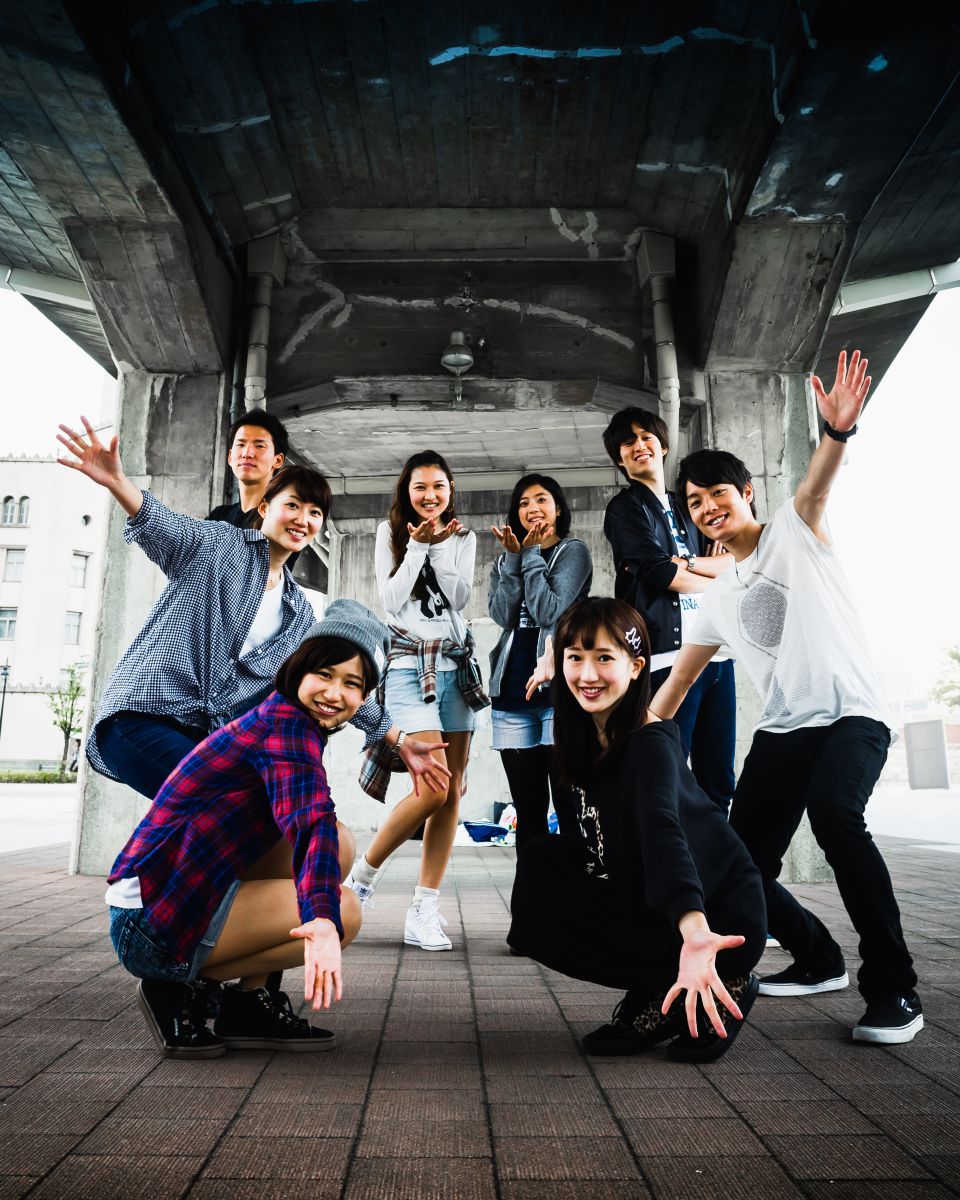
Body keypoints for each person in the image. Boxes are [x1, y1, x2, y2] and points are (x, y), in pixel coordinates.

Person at [57, 417, 450, 1007]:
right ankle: (162, 941)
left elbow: (327, 678)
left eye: (316, 515)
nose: (303, 520)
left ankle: (250, 992)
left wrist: (395, 736)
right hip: (143, 718)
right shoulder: (215, 548)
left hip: (201, 735)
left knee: (306, 841)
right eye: (293, 505)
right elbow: (157, 522)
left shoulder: (296, 613)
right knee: (238, 814)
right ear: (265, 505)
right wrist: (118, 482)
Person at [652, 349, 922, 1045]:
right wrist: (634, 741)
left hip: (852, 716)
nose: (708, 507)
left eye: (718, 492)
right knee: (740, 862)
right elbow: (677, 684)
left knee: (837, 817)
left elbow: (818, 484)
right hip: (783, 731)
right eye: (694, 503)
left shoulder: (793, 532)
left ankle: (894, 990)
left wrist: (836, 433)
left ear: (745, 490)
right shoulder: (715, 597)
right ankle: (817, 955)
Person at [105, 601, 386, 1058]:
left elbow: (312, 826)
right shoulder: (286, 729)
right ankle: (171, 986)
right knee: (344, 910)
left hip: (164, 896)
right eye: (325, 674)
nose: (335, 692)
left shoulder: (290, 718)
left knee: (341, 843)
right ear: (297, 670)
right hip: (151, 920)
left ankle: (246, 1003)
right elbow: (310, 823)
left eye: (352, 684)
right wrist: (320, 922)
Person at [508, 597, 765, 1061]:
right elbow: (587, 841)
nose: (588, 675)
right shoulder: (581, 734)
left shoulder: (649, 743)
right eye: (576, 658)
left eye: (604, 658)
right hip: (650, 893)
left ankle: (725, 976)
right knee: (541, 865)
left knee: (692, 1051)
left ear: (635, 666)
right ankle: (658, 981)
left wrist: (695, 928)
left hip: (717, 918)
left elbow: (663, 833)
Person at [345, 450, 488, 951]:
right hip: (408, 664)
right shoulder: (389, 534)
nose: (430, 496)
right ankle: (360, 880)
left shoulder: (465, 537)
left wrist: (441, 547)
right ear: (406, 492)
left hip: (456, 666)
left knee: (451, 793)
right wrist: (417, 548)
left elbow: (459, 598)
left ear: (451, 491)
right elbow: (390, 599)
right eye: (420, 487)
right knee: (432, 786)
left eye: (439, 487)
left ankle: (424, 907)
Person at [602, 406, 736, 813]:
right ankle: (670, 868)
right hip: (663, 658)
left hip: (716, 654)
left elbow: (732, 562)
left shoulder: (690, 505)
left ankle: (716, 869)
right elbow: (659, 573)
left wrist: (690, 565)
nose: (639, 445)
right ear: (620, 459)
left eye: (646, 437)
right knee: (668, 772)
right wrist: (710, 577)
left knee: (719, 778)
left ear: (662, 445)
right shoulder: (625, 509)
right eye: (628, 442)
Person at [488, 473, 592, 849]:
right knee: (529, 812)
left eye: (541, 499)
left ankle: (574, 897)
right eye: (524, 503)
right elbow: (502, 615)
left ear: (557, 508)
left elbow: (548, 609)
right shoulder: (504, 562)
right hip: (511, 693)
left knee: (568, 807)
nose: (532, 508)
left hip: (557, 690)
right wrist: (515, 560)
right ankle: (534, 903)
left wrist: (530, 554)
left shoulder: (572, 551)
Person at [208, 410, 289, 528]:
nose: (247, 453)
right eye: (240, 445)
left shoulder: (281, 518)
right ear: (230, 457)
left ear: (277, 460)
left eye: (259, 446)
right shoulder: (218, 516)